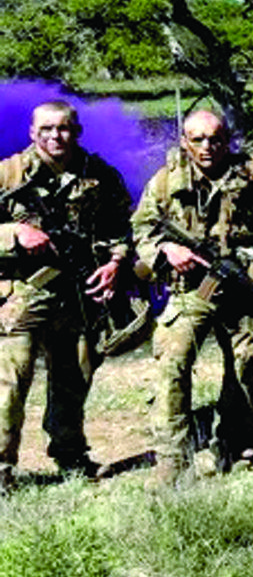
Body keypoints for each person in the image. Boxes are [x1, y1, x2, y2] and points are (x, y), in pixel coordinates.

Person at [131, 109, 253, 482]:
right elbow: (141, 229)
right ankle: (172, 458)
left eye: (216, 138)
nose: (208, 147)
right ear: (184, 142)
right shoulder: (165, 182)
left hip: (240, 286)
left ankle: (231, 444)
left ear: (228, 140)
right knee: (173, 359)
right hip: (191, 289)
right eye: (198, 139)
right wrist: (165, 250)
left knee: (246, 361)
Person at [0, 102, 132, 487]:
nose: (57, 136)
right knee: (10, 384)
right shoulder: (9, 173)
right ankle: (2, 469)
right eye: (48, 129)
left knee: (74, 380)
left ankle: (71, 457)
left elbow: (122, 224)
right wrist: (13, 233)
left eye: (65, 129)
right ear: (32, 132)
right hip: (22, 295)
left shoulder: (98, 175)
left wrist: (115, 262)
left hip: (78, 293)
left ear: (77, 131)